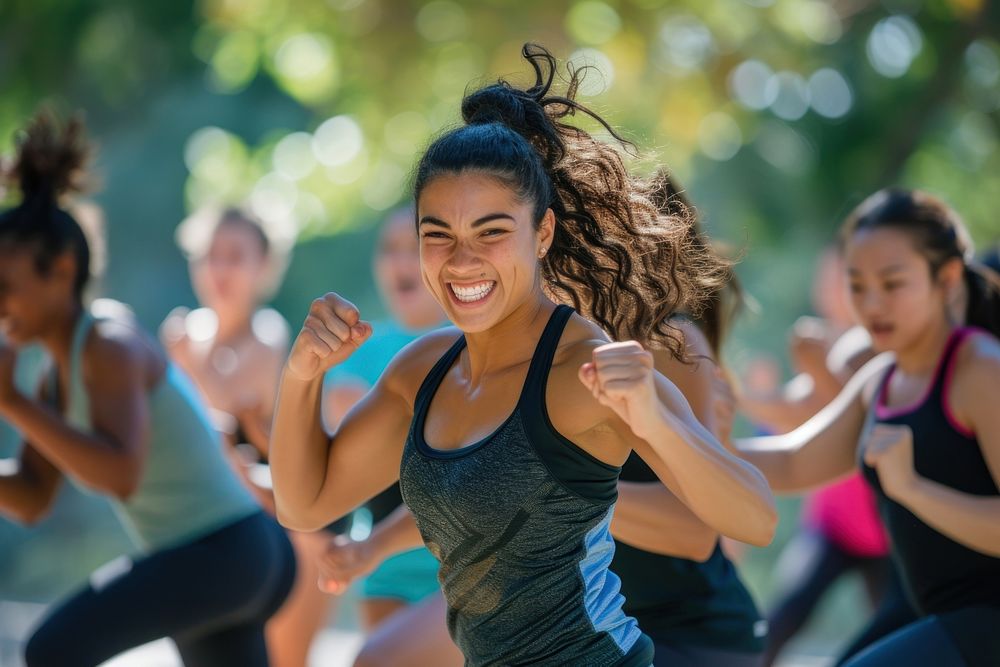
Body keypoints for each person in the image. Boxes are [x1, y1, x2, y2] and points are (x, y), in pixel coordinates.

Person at [271, 43, 776, 666]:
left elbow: (755, 519)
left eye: (491, 232)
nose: (461, 261)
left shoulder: (582, 365)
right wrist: (300, 378)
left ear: (542, 233)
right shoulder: (421, 372)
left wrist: (653, 423)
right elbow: (305, 502)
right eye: (438, 235)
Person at [321, 175, 769, 667]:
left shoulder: (670, 343)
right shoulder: (518, 346)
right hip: (561, 612)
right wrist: (371, 549)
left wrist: (565, 490)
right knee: (379, 659)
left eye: (496, 232)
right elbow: (475, 490)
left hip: (682, 630)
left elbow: (696, 532)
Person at [0, 112, 295, 667]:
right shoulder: (56, 373)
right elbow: (35, 495)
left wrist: (10, 402)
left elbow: (120, 472)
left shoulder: (108, 343)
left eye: (5, 287)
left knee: (53, 650)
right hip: (226, 557)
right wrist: (20, 403)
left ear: (61, 270)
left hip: (227, 550)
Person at [733, 189, 1000, 666]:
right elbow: (793, 462)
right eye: (857, 285)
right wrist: (657, 437)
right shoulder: (881, 379)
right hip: (934, 613)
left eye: (892, 283)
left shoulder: (978, 368)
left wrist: (912, 488)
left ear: (947, 278)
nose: (872, 303)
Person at [160, 206, 329, 667]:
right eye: (210, 256)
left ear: (264, 268)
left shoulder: (267, 334)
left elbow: (214, 411)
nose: (220, 270)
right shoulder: (184, 336)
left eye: (236, 256)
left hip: (280, 532)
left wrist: (180, 364)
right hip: (204, 526)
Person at [320, 206, 462, 667]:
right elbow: (332, 480)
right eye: (389, 250)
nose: (401, 262)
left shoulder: (475, 342)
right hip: (382, 572)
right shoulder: (356, 351)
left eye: (415, 248)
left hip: (467, 569)